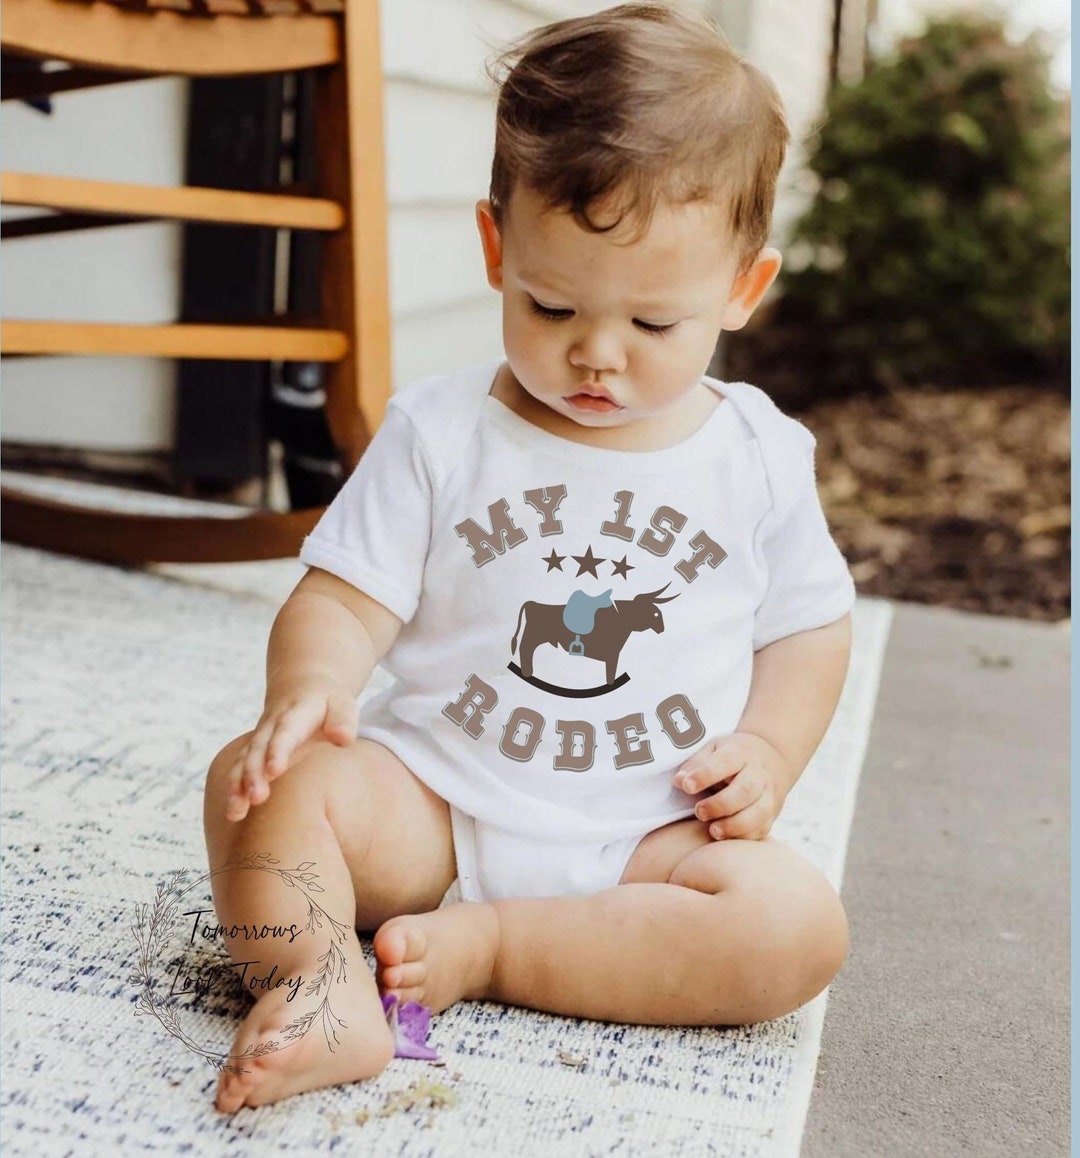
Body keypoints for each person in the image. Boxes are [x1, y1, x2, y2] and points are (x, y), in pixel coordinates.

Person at [205, 1, 855, 1113]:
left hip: (648, 837)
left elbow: (809, 629)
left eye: (655, 326)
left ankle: (498, 949)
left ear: (742, 290)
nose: (598, 354)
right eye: (552, 304)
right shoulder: (441, 431)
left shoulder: (757, 454)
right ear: (496, 247)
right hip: (437, 807)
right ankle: (322, 988)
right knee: (251, 790)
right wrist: (310, 689)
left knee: (795, 929)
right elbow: (344, 597)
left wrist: (770, 751)